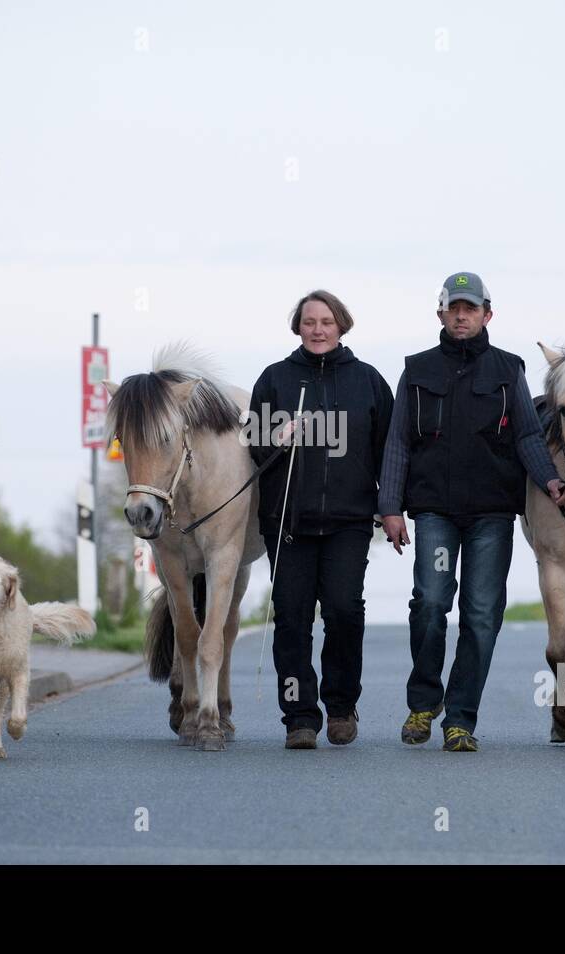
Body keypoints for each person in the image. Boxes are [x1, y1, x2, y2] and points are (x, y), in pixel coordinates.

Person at [378, 272, 565, 752]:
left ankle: (460, 718)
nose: (461, 316)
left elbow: (527, 433)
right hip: (434, 514)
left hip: (490, 514)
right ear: (440, 312)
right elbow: (399, 440)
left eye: (471, 308)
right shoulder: (417, 370)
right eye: (453, 308)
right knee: (429, 603)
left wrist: (549, 479)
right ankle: (424, 703)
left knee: (482, 615)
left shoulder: (508, 370)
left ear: (488, 314)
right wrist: (390, 508)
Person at [247, 290, 394, 749]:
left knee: (344, 612)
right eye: (309, 321)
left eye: (326, 321)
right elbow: (254, 445)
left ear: (341, 325)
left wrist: (389, 508)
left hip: (349, 520)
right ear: (298, 327)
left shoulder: (368, 381)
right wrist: (278, 436)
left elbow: (390, 451)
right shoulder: (275, 380)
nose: (317, 329)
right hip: (288, 520)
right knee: (291, 618)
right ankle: (299, 717)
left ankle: (342, 706)